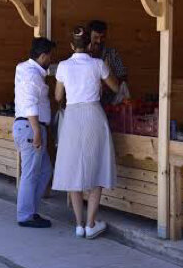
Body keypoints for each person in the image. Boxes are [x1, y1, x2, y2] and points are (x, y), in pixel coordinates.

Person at [53, 26, 120, 239]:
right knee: (97, 167)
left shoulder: (63, 66)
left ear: (71, 45)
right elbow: (116, 87)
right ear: (89, 45)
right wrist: (100, 82)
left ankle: (79, 225)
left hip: (73, 116)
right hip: (93, 114)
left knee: (73, 169)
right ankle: (91, 223)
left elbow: (57, 96)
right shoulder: (98, 64)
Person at [12, 37, 56, 229]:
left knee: (45, 170)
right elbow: (30, 103)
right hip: (31, 127)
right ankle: (25, 215)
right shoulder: (32, 75)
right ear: (43, 56)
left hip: (27, 126)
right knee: (30, 174)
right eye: (50, 56)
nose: (51, 60)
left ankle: (31, 210)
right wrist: (37, 131)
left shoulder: (25, 69)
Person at [87, 20, 128, 104]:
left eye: (102, 37)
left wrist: (109, 83)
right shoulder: (83, 55)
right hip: (89, 101)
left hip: (112, 101)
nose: (99, 41)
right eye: (96, 37)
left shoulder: (112, 53)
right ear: (88, 36)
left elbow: (123, 76)